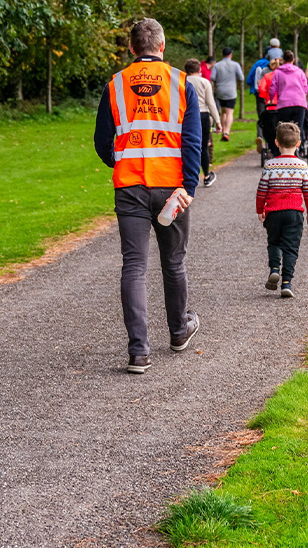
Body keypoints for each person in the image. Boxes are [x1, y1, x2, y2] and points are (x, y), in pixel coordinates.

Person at [94, 18, 201, 375]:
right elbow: (192, 143)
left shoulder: (116, 84)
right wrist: (188, 186)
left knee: (134, 265)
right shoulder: (181, 82)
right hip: (172, 188)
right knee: (173, 262)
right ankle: (177, 331)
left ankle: (139, 352)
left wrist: (119, 160)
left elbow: (102, 141)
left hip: (130, 187)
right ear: (163, 46)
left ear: (131, 48)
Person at [256, 122, 308, 298]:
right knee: (291, 248)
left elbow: (262, 191)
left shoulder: (270, 165)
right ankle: (287, 283)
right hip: (294, 213)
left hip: (273, 212)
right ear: (298, 144)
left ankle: (274, 268)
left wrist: (260, 209)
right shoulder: (302, 167)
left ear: (276, 142)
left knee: (274, 242)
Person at [184, 58, 221, 186]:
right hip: (203, 115)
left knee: (186, 146)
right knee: (203, 146)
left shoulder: (181, 81)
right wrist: (217, 121)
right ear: (199, 69)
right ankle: (206, 175)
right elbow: (211, 103)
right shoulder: (204, 82)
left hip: (186, 115)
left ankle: (186, 176)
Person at [269, 50, 308, 148]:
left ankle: (284, 149)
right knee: (298, 127)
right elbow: (305, 87)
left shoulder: (278, 72)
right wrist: (302, 96)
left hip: (284, 104)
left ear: (283, 60)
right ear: (293, 60)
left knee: (284, 129)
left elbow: (272, 88)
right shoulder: (299, 71)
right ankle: (299, 148)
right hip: (299, 103)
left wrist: (271, 99)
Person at [248, 48, 283, 149]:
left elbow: (261, 89)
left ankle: (261, 137)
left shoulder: (265, 72)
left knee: (263, 120)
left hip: (268, 103)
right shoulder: (283, 74)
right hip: (281, 104)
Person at [210, 47, 244, 141]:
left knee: (223, 112)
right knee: (229, 112)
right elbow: (241, 77)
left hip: (220, 91)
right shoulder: (235, 65)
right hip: (231, 91)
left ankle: (223, 130)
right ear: (231, 54)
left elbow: (212, 77)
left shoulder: (217, 65)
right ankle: (226, 132)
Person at [257, 57, 283, 153]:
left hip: (270, 105)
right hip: (283, 105)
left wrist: (266, 97)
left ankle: (271, 147)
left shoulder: (267, 76)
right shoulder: (284, 76)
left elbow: (261, 89)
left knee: (267, 126)